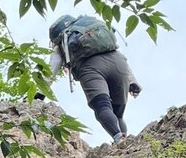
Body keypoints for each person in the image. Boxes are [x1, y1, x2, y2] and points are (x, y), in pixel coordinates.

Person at [48, 13, 142, 142]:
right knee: (118, 114)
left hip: (90, 68)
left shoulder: (63, 41)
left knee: (102, 106)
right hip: (119, 64)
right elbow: (118, 53)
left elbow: (52, 68)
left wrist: (39, 94)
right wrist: (133, 81)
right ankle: (127, 142)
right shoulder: (92, 28)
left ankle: (119, 139)